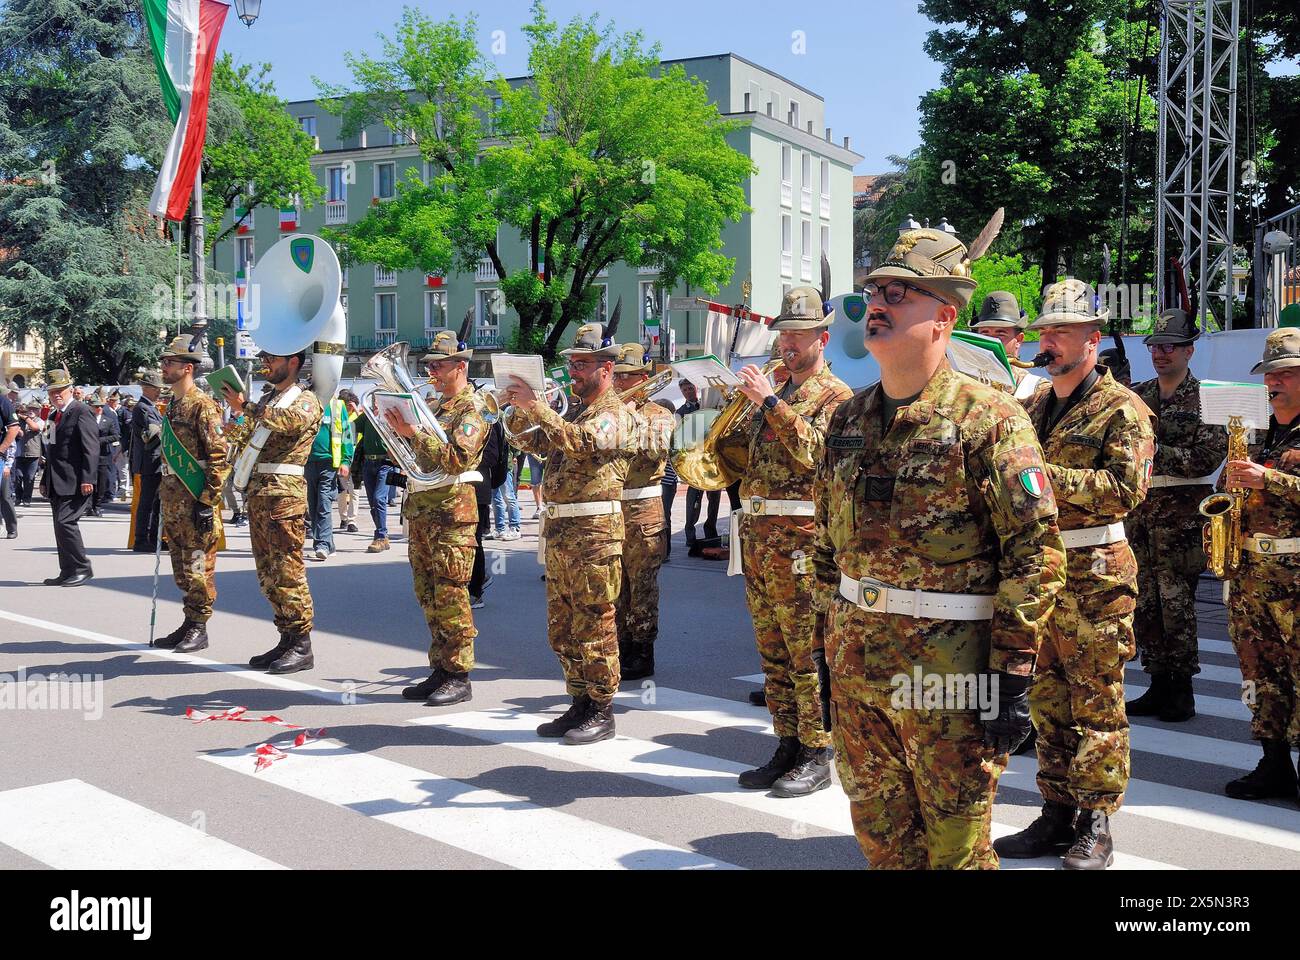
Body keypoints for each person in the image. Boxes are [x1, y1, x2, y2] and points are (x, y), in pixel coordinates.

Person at [814, 220, 1066, 869]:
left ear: (944, 318)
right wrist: (823, 648)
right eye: (876, 291)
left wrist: (1012, 675)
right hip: (857, 671)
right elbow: (825, 545)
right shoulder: (845, 419)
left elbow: (1035, 551)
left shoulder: (988, 419)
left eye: (901, 294)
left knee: (955, 855)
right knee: (884, 847)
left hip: (948, 683)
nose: (879, 303)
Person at [996, 278, 1155, 871]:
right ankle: (1055, 813)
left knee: (1097, 702)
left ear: (1092, 338)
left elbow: (1125, 491)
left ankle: (1097, 822)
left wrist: (1041, 476)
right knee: (1048, 701)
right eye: (1043, 330)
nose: (1048, 341)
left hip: (1095, 575)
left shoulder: (1123, 409)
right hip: (1042, 571)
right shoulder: (1033, 404)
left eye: (1060, 331)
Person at [731, 289, 852, 798]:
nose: (788, 346)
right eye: (783, 337)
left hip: (803, 543)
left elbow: (817, 454)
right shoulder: (772, 393)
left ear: (822, 340)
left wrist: (771, 403)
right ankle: (786, 741)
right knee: (774, 652)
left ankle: (817, 749)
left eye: (799, 337)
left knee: (808, 653)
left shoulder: (837, 397)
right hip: (760, 540)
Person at [502, 322, 642, 745]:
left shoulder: (616, 414)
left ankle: (602, 708)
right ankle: (579, 701)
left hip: (595, 534)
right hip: (563, 532)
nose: (573, 372)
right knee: (562, 626)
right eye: (572, 364)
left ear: (606, 370)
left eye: (581, 365)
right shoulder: (578, 413)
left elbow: (582, 443)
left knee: (595, 622)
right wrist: (519, 412)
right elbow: (537, 445)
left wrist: (540, 407)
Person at [1125, 309, 1227, 722]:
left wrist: (1152, 455)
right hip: (1143, 514)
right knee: (1145, 602)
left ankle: (1181, 690)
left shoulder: (1207, 398)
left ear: (1189, 350)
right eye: (1155, 346)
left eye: (1170, 346)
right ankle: (1157, 682)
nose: (1161, 353)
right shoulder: (1137, 394)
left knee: (1177, 604)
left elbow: (1206, 457)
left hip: (1182, 519)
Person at [386, 329, 490, 708]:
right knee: (428, 595)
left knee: (450, 595)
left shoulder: (473, 409)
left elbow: (457, 458)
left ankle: (460, 674)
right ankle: (441, 667)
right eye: (429, 364)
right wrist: (402, 434)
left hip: (452, 513)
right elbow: (421, 457)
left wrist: (413, 433)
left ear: (461, 366)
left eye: (439, 365)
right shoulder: (435, 406)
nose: (432, 371)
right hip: (424, 510)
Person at [1219, 329, 1300, 803]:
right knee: (1258, 674)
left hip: (1295, 575)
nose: (1276, 382)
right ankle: (1272, 764)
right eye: (1271, 374)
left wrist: (1267, 479)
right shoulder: (1254, 432)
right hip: (1251, 577)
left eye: (1287, 373)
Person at [222, 350, 323, 674]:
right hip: (260, 493)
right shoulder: (270, 398)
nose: (266, 363)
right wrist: (233, 427)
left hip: (284, 496)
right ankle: (286, 637)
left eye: (272, 359)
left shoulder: (305, 399)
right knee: (268, 574)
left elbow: (289, 424)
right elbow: (250, 436)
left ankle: (302, 644)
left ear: (293, 362)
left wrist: (246, 408)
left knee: (288, 570)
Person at [150, 337, 229, 653]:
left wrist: (208, 501)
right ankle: (189, 621)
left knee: (198, 568)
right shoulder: (172, 404)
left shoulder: (202, 405)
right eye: (164, 361)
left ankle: (199, 627)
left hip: (196, 500)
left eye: (169, 362)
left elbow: (218, 456)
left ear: (188, 368)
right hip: (174, 501)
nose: (163, 367)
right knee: (182, 568)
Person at [612, 343, 676, 680]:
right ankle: (621, 646)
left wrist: (627, 416)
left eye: (628, 376)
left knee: (642, 587)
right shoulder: (607, 412)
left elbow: (653, 452)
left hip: (643, 511)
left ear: (644, 377)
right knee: (616, 587)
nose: (621, 383)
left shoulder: (658, 414)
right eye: (617, 377)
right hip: (612, 509)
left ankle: (643, 651)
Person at [39, 369, 99, 586]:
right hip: (57, 480)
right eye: (53, 391)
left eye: (61, 390)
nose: (56, 395)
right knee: (59, 526)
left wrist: (88, 478)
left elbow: (91, 447)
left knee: (66, 523)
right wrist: (46, 480)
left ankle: (82, 567)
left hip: (76, 480)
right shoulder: (55, 416)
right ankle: (67, 570)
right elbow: (52, 450)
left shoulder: (81, 411)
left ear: (70, 390)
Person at [305, 386, 355, 561]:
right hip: (308, 463)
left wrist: (346, 461)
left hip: (329, 464)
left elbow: (347, 436)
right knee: (313, 505)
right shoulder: (305, 404)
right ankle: (328, 544)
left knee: (323, 504)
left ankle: (322, 545)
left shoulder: (337, 406)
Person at [970, 291, 1045, 401]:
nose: (991, 342)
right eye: (985, 334)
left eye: (1000, 334)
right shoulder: (964, 381)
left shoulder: (1037, 389)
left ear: (1018, 340)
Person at [130, 370, 165, 553]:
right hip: (150, 460)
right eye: (155, 388)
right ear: (145, 388)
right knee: (147, 502)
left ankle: (155, 538)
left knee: (157, 502)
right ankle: (141, 539)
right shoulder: (143, 408)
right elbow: (154, 433)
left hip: (156, 460)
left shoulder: (150, 407)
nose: (158, 391)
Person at [355, 401, 396, 553]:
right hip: (368, 462)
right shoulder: (368, 416)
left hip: (385, 463)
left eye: (379, 400)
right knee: (373, 503)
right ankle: (382, 536)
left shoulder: (390, 415)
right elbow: (351, 426)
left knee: (379, 499)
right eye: (374, 400)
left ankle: (380, 535)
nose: (376, 403)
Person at [87, 392, 121, 516]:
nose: (99, 409)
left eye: (101, 406)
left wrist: (100, 441)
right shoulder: (86, 419)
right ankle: (88, 506)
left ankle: (97, 505)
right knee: (89, 480)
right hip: (89, 455)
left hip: (103, 455)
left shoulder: (108, 420)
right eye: (96, 406)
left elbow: (116, 435)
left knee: (101, 482)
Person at [490, 437, 522, 540]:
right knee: (495, 498)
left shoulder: (504, 422)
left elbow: (513, 437)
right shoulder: (488, 421)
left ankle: (515, 527)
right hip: (492, 464)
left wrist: (515, 454)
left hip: (505, 464)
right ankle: (500, 529)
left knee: (508, 496)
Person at [13, 404, 43, 507]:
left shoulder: (40, 421)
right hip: (19, 453)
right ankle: (18, 497)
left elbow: (35, 427)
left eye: (34, 409)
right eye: (29, 409)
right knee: (17, 477)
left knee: (29, 478)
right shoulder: (19, 420)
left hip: (33, 453)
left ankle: (27, 499)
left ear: (39, 411)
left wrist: (25, 418)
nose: (31, 410)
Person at [0, 390, 19, 538]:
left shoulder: (3, 402)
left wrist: (2, 455)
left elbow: (14, 428)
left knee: (5, 495)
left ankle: (11, 527)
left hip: (2, 458)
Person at [109, 391, 131, 501]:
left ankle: (124, 489)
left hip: (122, 442)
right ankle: (120, 488)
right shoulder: (110, 411)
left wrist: (124, 445)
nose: (111, 402)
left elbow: (127, 430)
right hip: (114, 442)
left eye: (113, 400)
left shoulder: (123, 412)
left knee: (122, 467)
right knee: (116, 466)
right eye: (110, 400)